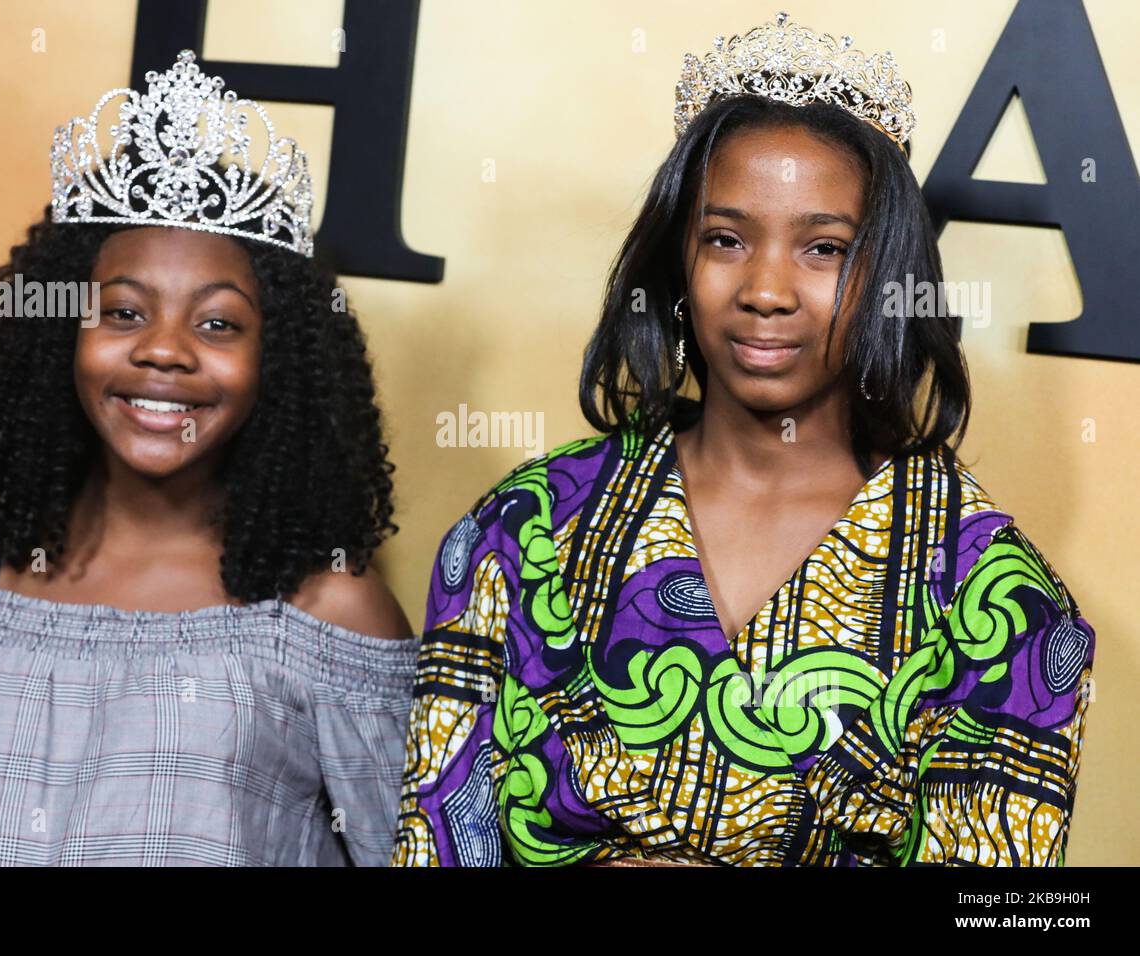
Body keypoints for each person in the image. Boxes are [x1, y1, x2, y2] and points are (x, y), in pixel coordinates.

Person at [391, 13, 1096, 867]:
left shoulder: (996, 598)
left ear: (887, 276)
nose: (766, 289)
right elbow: (433, 845)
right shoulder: (522, 531)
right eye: (726, 239)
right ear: (676, 262)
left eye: (824, 248)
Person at [0, 50, 417, 867]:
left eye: (218, 324)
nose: (164, 351)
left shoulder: (329, 614)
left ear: (282, 362)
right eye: (123, 312)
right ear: (62, 336)